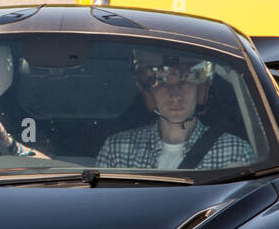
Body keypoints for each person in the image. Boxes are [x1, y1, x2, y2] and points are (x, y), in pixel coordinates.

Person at [97, 50, 253, 171]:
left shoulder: (233, 151)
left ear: (201, 89)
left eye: (185, 82)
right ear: (149, 93)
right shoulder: (118, 149)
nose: (175, 96)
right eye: (163, 84)